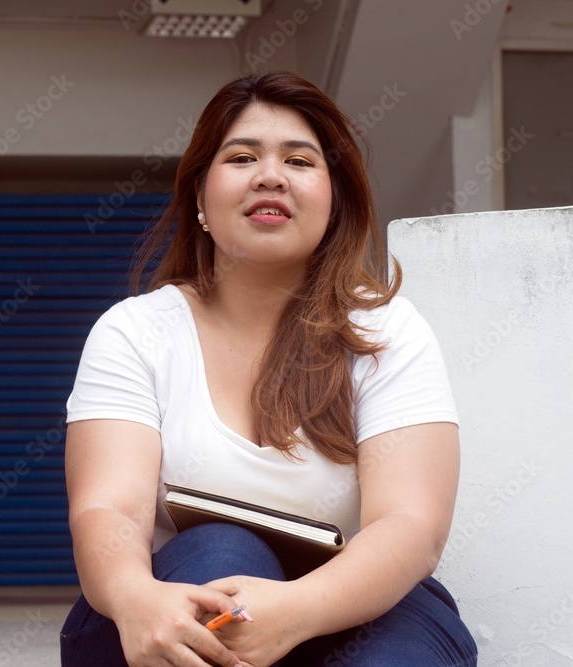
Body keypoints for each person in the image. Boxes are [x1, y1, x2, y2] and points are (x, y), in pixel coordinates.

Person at [59, 71, 478, 666]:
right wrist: (134, 598)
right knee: (218, 554)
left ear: (334, 199)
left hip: (353, 605)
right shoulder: (135, 332)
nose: (271, 176)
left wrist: (294, 611)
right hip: (173, 603)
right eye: (242, 157)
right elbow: (110, 510)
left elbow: (410, 522)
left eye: (300, 161)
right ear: (200, 195)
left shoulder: (386, 331)